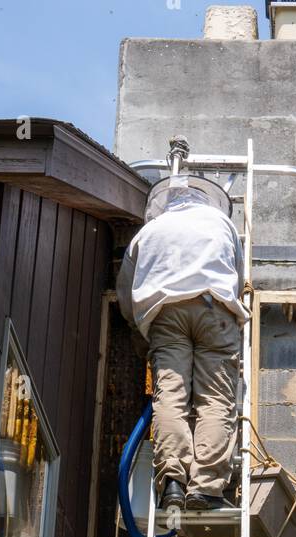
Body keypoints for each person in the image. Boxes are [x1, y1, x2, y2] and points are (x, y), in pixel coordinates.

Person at [116, 175, 247, 513]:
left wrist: (137, 328)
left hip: (165, 316)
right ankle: (206, 488)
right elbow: (239, 278)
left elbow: (126, 293)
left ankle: (173, 482)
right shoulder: (221, 223)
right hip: (213, 310)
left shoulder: (148, 233)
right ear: (207, 200)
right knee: (215, 400)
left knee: (170, 398)